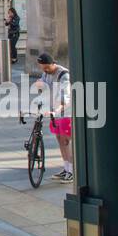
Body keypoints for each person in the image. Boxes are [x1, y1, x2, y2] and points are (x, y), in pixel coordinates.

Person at [33, 52, 73, 183]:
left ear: (52, 64)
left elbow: (64, 98)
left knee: (66, 140)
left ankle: (71, 171)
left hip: (66, 112)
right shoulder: (46, 73)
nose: (44, 70)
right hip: (55, 112)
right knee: (60, 139)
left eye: (46, 67)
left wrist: (56, 110)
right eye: (42, 68)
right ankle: (66, 168)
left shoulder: (63, 75)